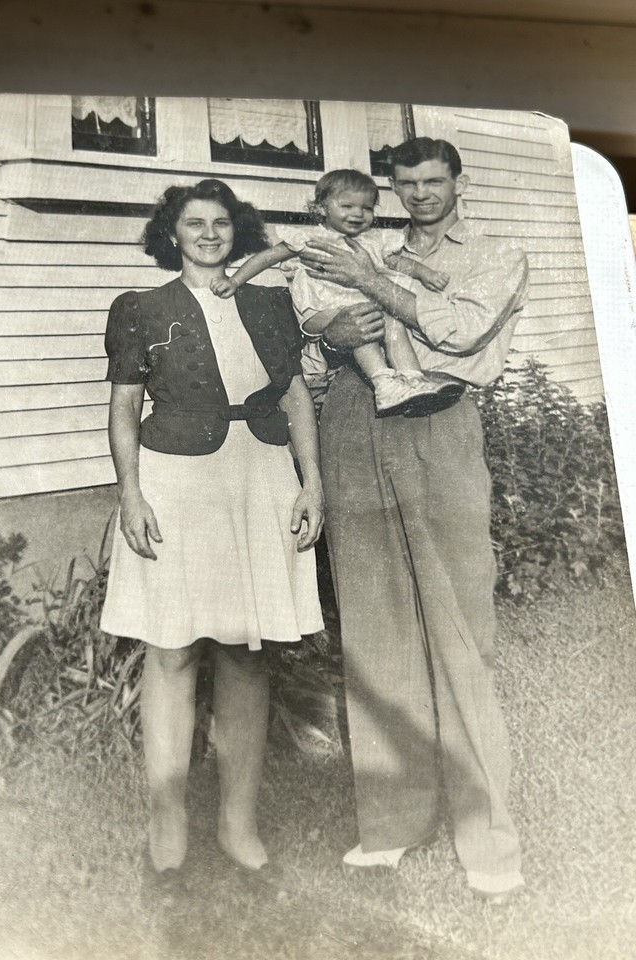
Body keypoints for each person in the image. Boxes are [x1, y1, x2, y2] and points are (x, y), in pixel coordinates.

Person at [299, 138, 529, 902]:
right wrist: (326, 336)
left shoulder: (496, 254)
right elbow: (312, 351)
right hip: (355, 421)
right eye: (407, 183)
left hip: (439, 419)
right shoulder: (368, 246)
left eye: (434, 181)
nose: (421, 194)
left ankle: (488, 839)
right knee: (375, 627)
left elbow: (459, 333)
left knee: (461, 631)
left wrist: (373, 285)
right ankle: (393, 821)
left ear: (458, 183)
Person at [100, 178, 324, 878]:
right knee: (170, 650)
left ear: (238, 230)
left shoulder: (269, 302)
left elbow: (294, 397)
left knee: (246, 650)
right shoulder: (141, 308)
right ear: (171, 233)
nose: (208, 234)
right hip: (177, 481)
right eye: (193, 223)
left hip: (259, 477)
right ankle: (167, 817)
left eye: (220, 222)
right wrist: (130, 493)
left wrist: (311, 479)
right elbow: (124, 407)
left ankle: (237, 820)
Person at [210, 169, 461, 415]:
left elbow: (398, 263)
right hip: (318, 311)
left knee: (393, 321)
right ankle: (384, 384)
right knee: (360, 325)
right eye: (347, 206)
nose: (358, 214)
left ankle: (412, 379)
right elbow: (267, 257)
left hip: (355, 308)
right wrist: (234, 281)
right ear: (321, 208)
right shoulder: (310, 237)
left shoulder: (373, 240)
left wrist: (425, 273)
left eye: (366, 208)